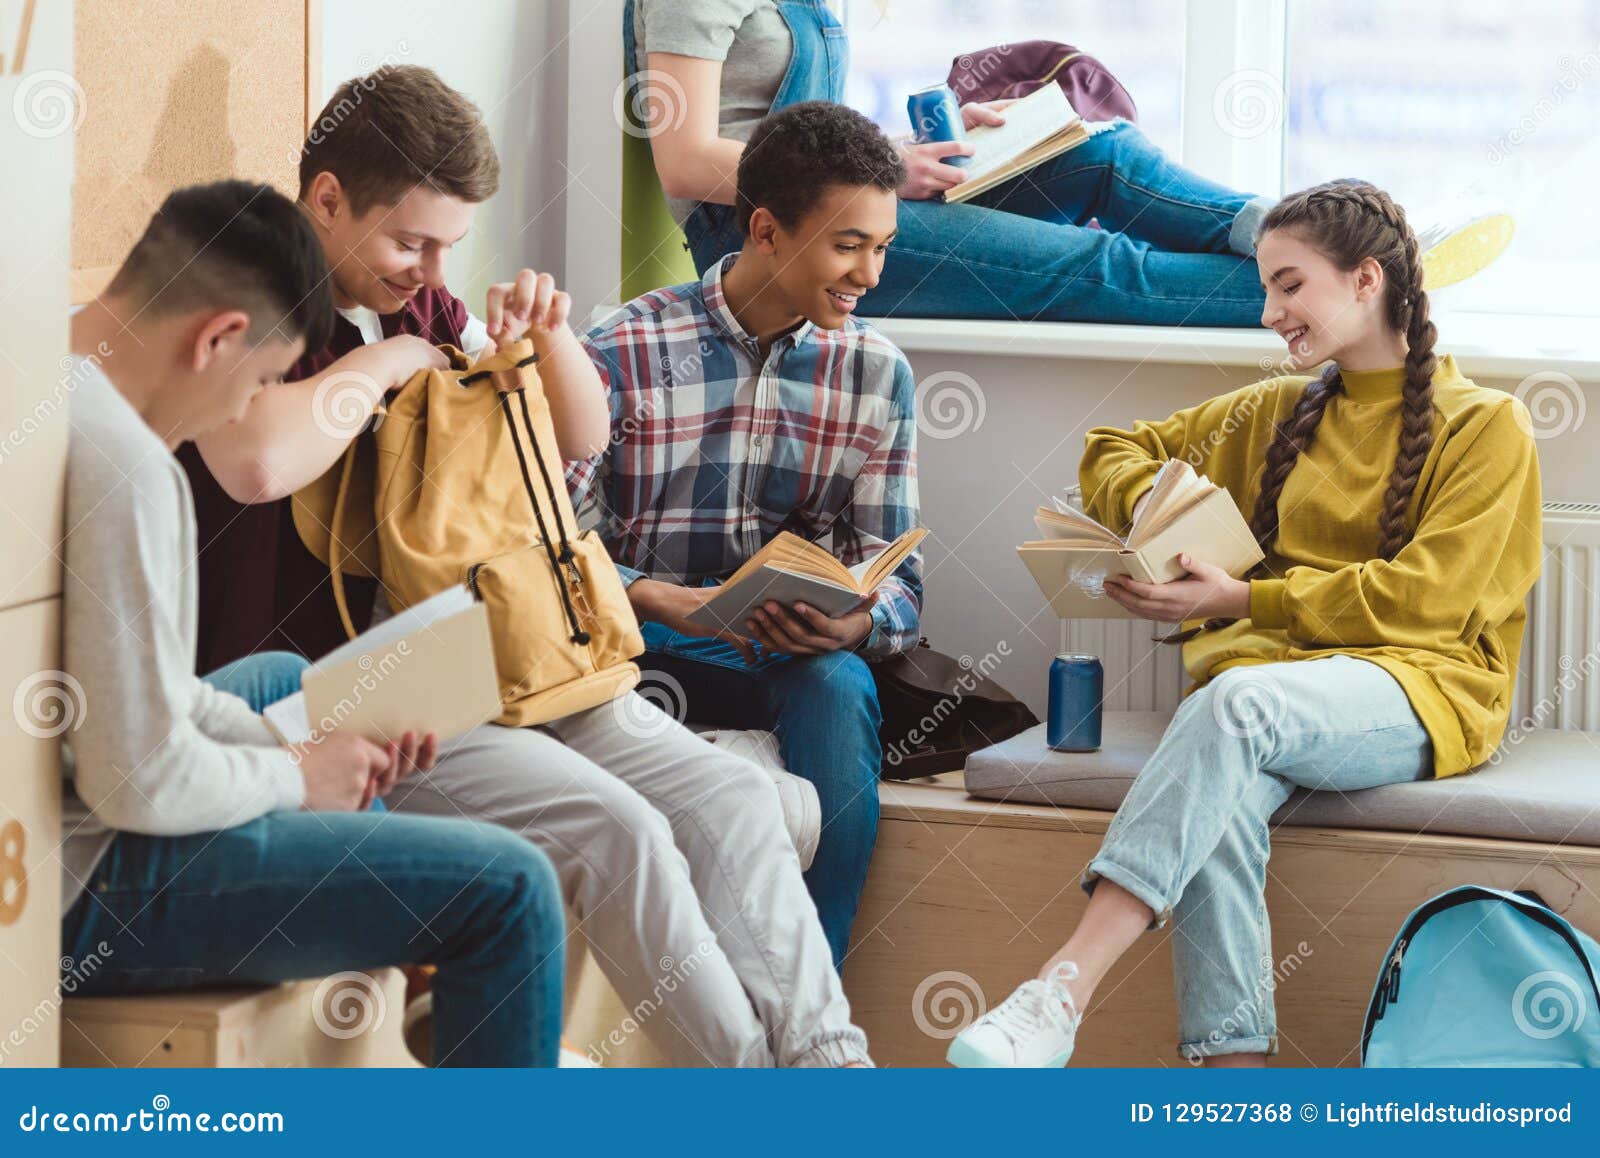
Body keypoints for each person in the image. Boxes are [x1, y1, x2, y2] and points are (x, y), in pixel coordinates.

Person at [181, 66, 870, 1067]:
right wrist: (389, 367)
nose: (426, 267)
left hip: (477, 662)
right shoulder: (246, 296)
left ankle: (831, 1071)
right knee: (619, 830)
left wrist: (545, 337)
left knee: (726, 798)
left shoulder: (419, 305)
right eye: (410, 241)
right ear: (325, 199)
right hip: (332, 699)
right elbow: (253, 464)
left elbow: (577, 440)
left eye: (446, 246)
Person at [946, 179, 1542, 1067]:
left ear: (1368, 278)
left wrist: (1240, 601)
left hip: (1422, 690)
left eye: (1290, 285)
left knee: (1231, 707)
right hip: (1271, 698)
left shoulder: (1488, 426)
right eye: (1266, 288)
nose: (1270, 312)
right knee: (1217, 798)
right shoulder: (1274, 412)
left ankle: (1062, 987)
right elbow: (1112, 448)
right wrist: (1161, 507)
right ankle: (1235, 1087)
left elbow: (1431, 600)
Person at [60, 180, 566, 1067]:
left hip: (56, 781)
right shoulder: (126, 467)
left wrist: (281, 746)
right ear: (216, 337)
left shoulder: (44, 363)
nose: (234, 416)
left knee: (279, 684)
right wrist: (296, 776)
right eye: (256, 381)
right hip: (72, 887)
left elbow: (136, 700)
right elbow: (137, 785)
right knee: (513, 888)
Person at [570, 101, 920, 965]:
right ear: (766, 229)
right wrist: (661, 600)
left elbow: (902, 584)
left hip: (780, 656)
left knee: (837, 685)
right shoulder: (621, 349)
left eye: (882, 246)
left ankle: (811, 1008)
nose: (870, 274)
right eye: (849, 246)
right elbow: (552, 555)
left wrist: (856, 620)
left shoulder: (877, 374)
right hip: (636, 642)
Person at [628, 0, 1512, 326]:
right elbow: (686, 158)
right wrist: (885, 167)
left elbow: (788, 123)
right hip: (780, 242)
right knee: (1093, 267)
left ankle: (1315, 237)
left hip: (850, 191)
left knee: (1099, 152)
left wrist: (922, 143)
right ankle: (1338, 290)